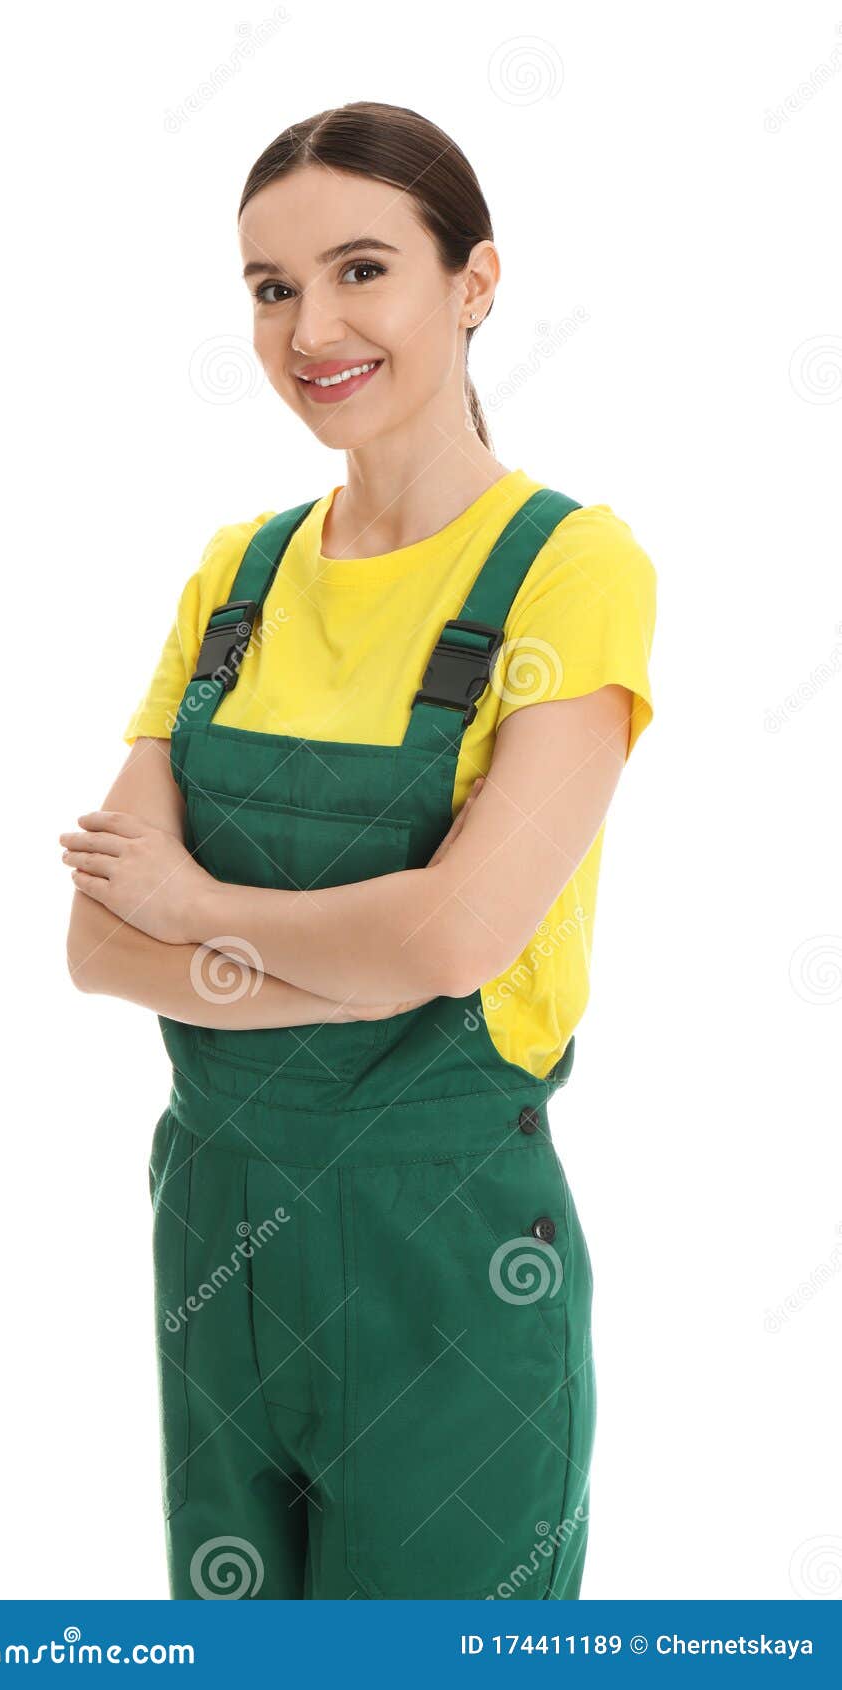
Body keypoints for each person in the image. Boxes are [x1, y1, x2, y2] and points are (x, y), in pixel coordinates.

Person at [61, 101, 657, 1601]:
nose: (309, 325)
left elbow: (459, 941)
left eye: (360, 269)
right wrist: (352, 962)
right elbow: (94, 944)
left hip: (444, 1268)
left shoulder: (569, 570)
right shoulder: (237, 576)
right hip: (214, 1241)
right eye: (271, 287)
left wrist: (195, 912)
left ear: (475, 283)